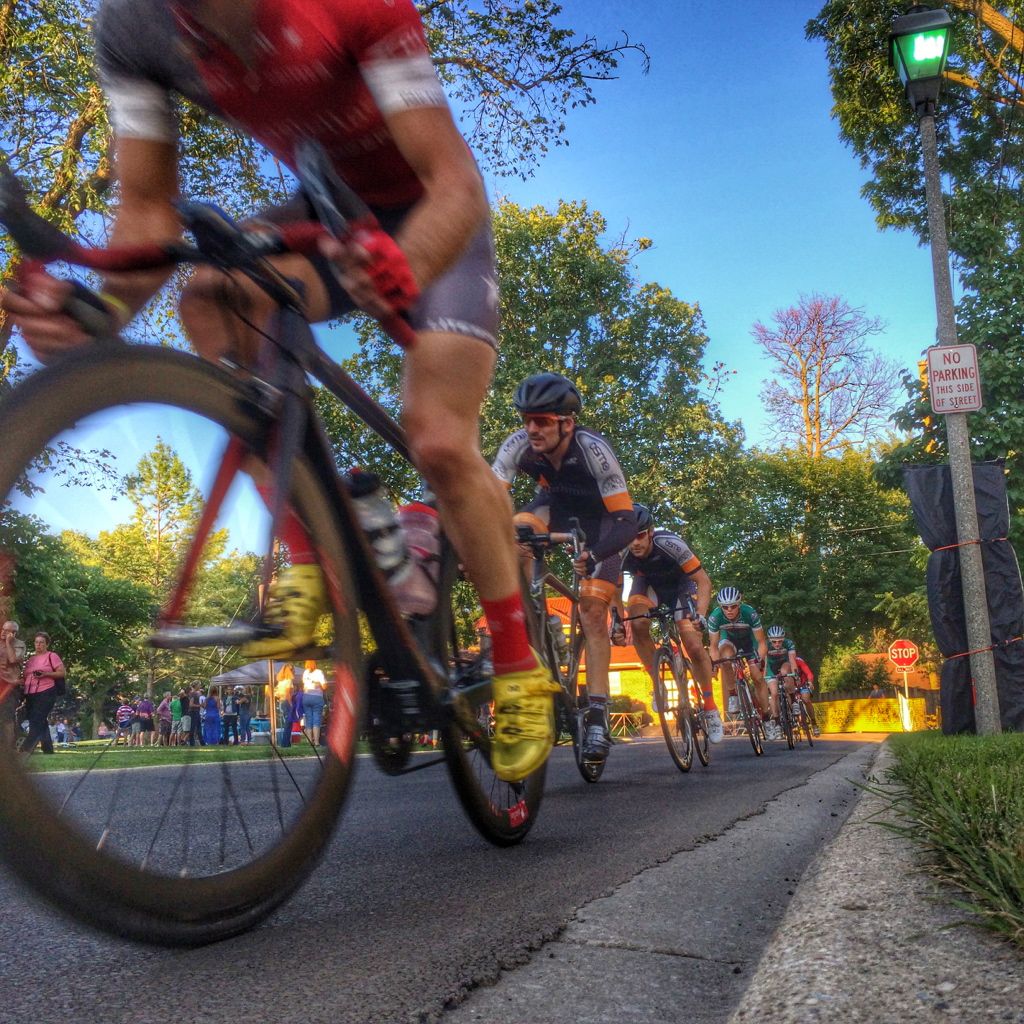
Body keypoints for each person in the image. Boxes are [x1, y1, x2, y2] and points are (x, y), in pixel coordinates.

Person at [0, 0, 555, 784]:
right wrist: (98, 311)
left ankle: (516, 659)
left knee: (436, 437)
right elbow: (148, 211)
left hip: (434, 216)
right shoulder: (134, 29)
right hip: (328, 214)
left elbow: (453, 181)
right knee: (212, 293)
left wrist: (408, 269)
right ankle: (313, 540)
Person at [493, 373, 639, 767]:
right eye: (525, 419)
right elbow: (486, 500)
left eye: (540, 420)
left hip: (602, 523)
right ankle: (529, 628)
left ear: (566, 422)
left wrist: (593, 555)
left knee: (592, 613)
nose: (530, 428)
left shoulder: (594, 450)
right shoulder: (519, 445)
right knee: (514, 531)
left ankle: (596, 716)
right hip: (551, 508)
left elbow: (627, 522)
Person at [618, 504, 724, 743]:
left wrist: (700, 614)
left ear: (650, 532)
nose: (634, 542)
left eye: (640, 535)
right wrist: (617, 619)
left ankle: (709, 707)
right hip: (648, 587)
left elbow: (703, 580)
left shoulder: (670, 543)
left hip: (681, 586)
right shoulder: (621, 550)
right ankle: (659, 684)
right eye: (629, 536)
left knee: (693, 644)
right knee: (636, 623)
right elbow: (615, 591)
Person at [707, 588, 774, 738]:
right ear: (720, 606)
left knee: (757, 677)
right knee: (725, 658)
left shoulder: (749, 613)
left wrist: (760, 661)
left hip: (750, 642)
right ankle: (733, 694)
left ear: (739, 604)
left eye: (733, 606)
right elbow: (713, 646)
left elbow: (762, 642)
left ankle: (766, 717)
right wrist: (715, 663)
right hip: (729, 642)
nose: (729, 610)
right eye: (725, 607)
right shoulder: (715, 617)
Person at [20, 631, 66, 755]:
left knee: (37, 719)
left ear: (46, 644)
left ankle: (25, 749)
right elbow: (25, 677)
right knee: (40, 720)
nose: (38, 645)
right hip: (30, 693)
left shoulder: (52, 656)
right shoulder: (31, 660)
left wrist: (46, 674)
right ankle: (48, 749)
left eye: (41, 642)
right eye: (36, 642)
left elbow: (62, 673)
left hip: (46, 691)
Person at [763, 624, 800, 740]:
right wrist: (763, 679)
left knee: (786, 671)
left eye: (779, 641)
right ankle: (778, 722)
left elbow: (792, 660)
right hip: (771, 669)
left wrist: (795, 674)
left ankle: (793, 700)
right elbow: (764, 664)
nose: (777, 644)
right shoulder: (766, 646)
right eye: (774, 642)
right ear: (770, 640)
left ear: (783, 639)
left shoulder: (788, 644)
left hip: (784, 665)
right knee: (774, 693)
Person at [301, 659, 327, 747]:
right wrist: (319, 683)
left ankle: (309, 742)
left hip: (306, 697)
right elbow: (324, 686)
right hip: (317, 697)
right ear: (315, 664)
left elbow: (304, 685)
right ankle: (316, 742)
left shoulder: (305, 673)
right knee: (316, 719)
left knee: (308, 719)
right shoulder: (319, 672)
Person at [1, 620, 26, 700]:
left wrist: (8, 643)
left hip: (9, 685)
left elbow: (12, 660)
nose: (3, 632)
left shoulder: (20, 644)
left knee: (6, 711)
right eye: (3, 629)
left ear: (14, 633)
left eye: (7, 631)